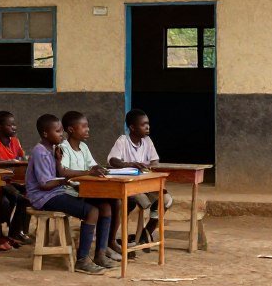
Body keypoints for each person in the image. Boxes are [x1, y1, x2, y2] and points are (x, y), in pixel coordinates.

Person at [25, 114, 111, 275]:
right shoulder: (40, 152)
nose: (61, 135)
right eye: (58, 131)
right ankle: (82, 260)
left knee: (105, 206)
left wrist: (59, 163)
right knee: (92, 212)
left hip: (55, 192)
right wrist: (65, 180)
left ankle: (101, 254)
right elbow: (45, 184)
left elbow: (57, 173)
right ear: (45, 133)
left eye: (61, 131)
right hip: (43, 197)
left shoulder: (52, 149)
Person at [59, 110, 121, 262]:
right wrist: (89, 171)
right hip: (70, 192)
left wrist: (103, 169)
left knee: (108, 205)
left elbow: (93, 166)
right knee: (98, 209)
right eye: (84, 126)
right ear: (71, 129)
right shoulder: (63, 147)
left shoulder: (84, 147)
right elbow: (64, 171)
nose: (88, 129)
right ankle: (87, 256)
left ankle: (101, 252)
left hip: (86, 191)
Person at [108, 108, 171, 244]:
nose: (147, 127)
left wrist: (151, 166)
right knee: (143, 202)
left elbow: (155, 161)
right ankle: (114, 240)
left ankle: (146, 233)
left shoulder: (147, 141)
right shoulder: (123, 141)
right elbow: (113, 160)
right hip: (128, 185)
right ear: (132, 127)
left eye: (148, 123)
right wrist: (130, 164)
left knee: (166, 200)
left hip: (145, 183)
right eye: (143, 124)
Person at [0, 111, 32, 245]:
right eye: (9, 125)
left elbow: (22, 157)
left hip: (14, 180)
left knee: (29, 195)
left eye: (14, 124)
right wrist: (9, 162)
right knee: (10, 198)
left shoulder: (15, 141)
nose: (14, 127)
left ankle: (16, 231)